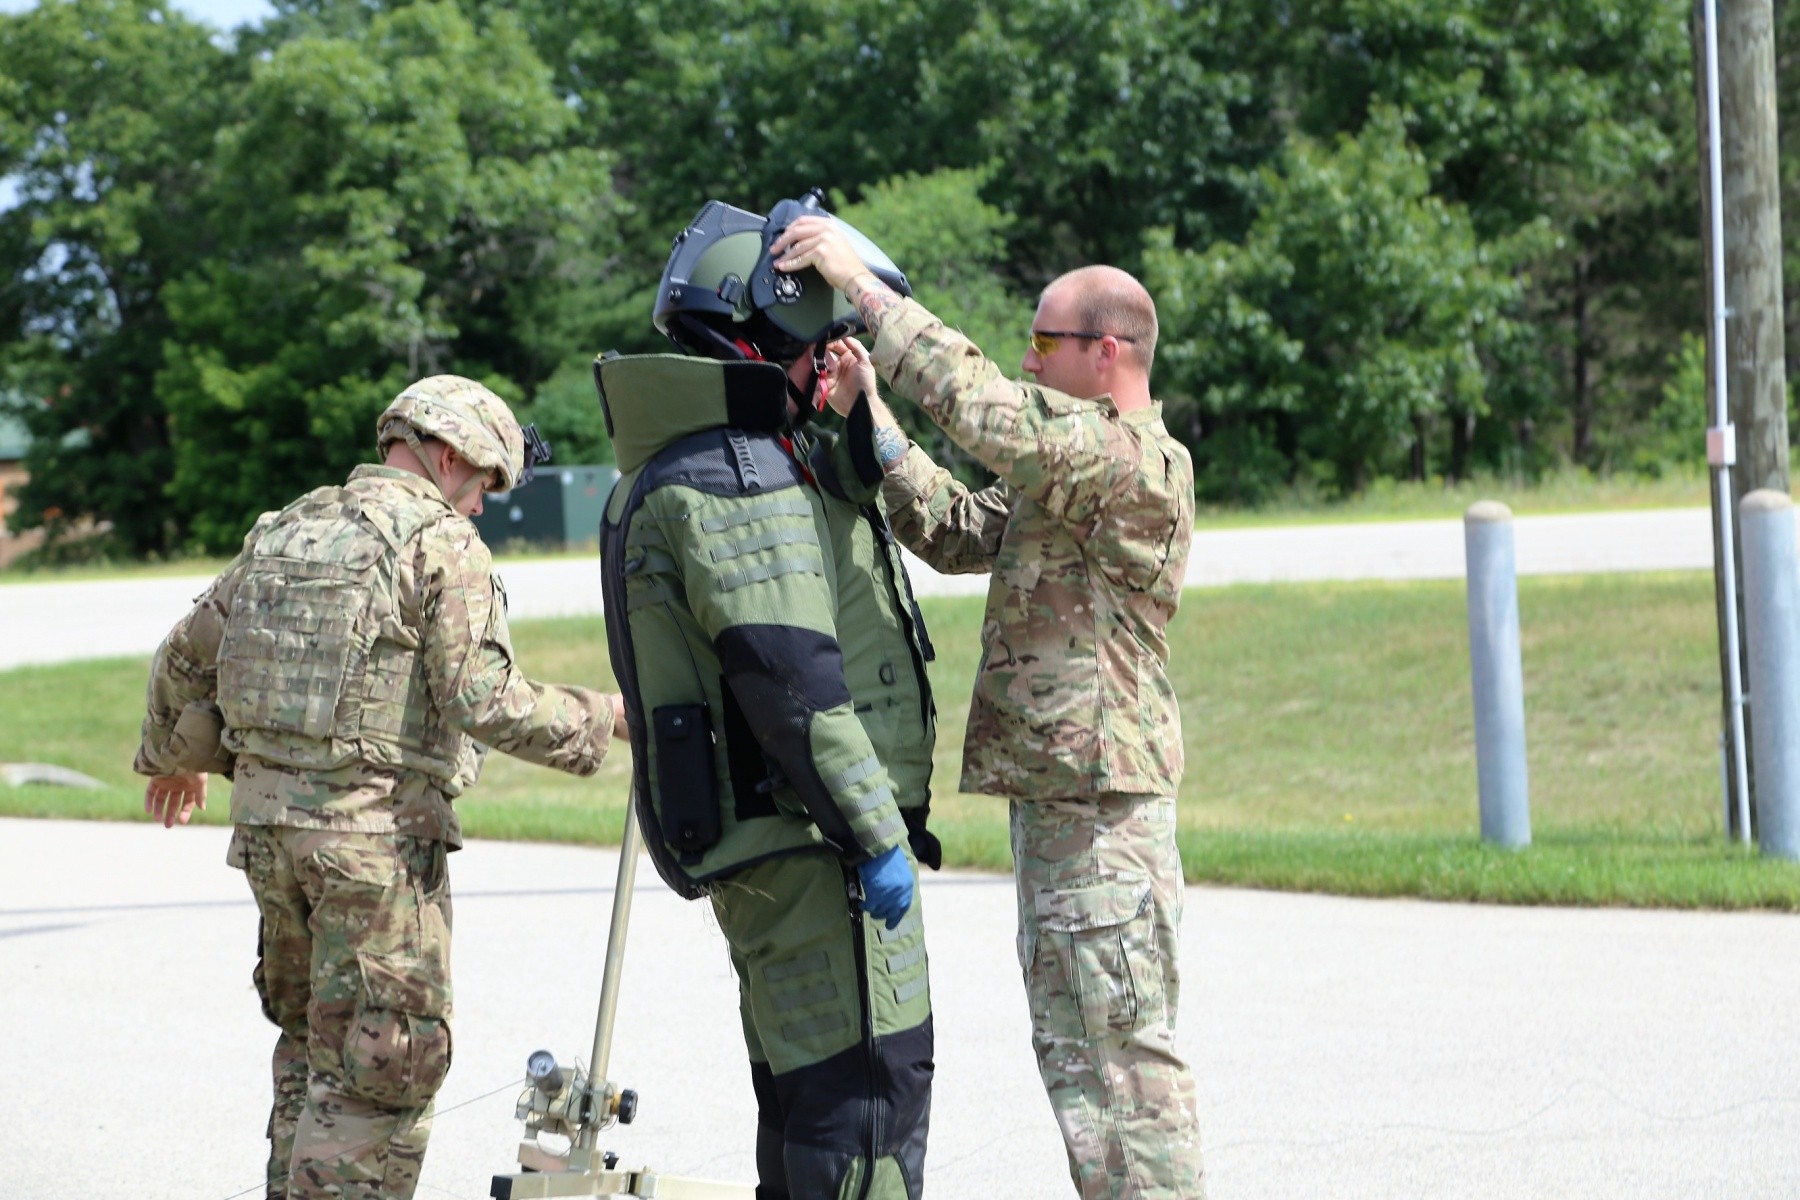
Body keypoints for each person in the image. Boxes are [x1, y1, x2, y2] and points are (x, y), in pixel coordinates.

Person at [772, 217, 1205, 1200]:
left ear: (1106, 355)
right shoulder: (1068, 476)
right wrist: (870, 416)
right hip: (1062, 809)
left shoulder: (1130, 461)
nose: (1026, 356)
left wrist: (863, 288)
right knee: (1082, 1062)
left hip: (1102, 817)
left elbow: (985, 410)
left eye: (1043, 342)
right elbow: (955, 528)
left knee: (1125, 1064)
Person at [133, 375, 629, 1200]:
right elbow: (483, 699)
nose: (480, 509)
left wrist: (171, 758)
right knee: (382, 1068)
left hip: (268, 846)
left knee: (311, 1049)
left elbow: (184, 654)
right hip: (374, 852)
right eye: (483, 488)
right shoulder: (440, 543)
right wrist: (603, 717)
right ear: (445, 457)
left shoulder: (287, 528)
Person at [596, 192, 937, 1200]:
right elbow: (793, 681)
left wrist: (849, 417)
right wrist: (876, 836)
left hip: (772, 849)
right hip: (815, 849)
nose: (830, 359)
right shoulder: (737, 473)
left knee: (806, 1108)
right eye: (821, 337)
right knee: (862, 1116)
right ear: (774, 324)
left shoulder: (709, 458)